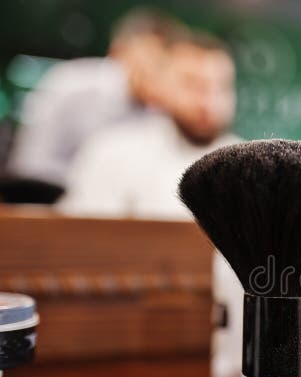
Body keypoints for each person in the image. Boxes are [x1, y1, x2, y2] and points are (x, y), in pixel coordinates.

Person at [58, 32, 238, 220]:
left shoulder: (249, 169)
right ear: (162, 86)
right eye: (193, 85)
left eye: (221, 86)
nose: (210, 102)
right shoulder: (111, 153)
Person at [5, 8, 185, 190]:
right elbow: (31, 164)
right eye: (154, 62)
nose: (159, 74)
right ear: (119, 52)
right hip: (55, 201)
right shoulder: (71, 84)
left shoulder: (161, 111)